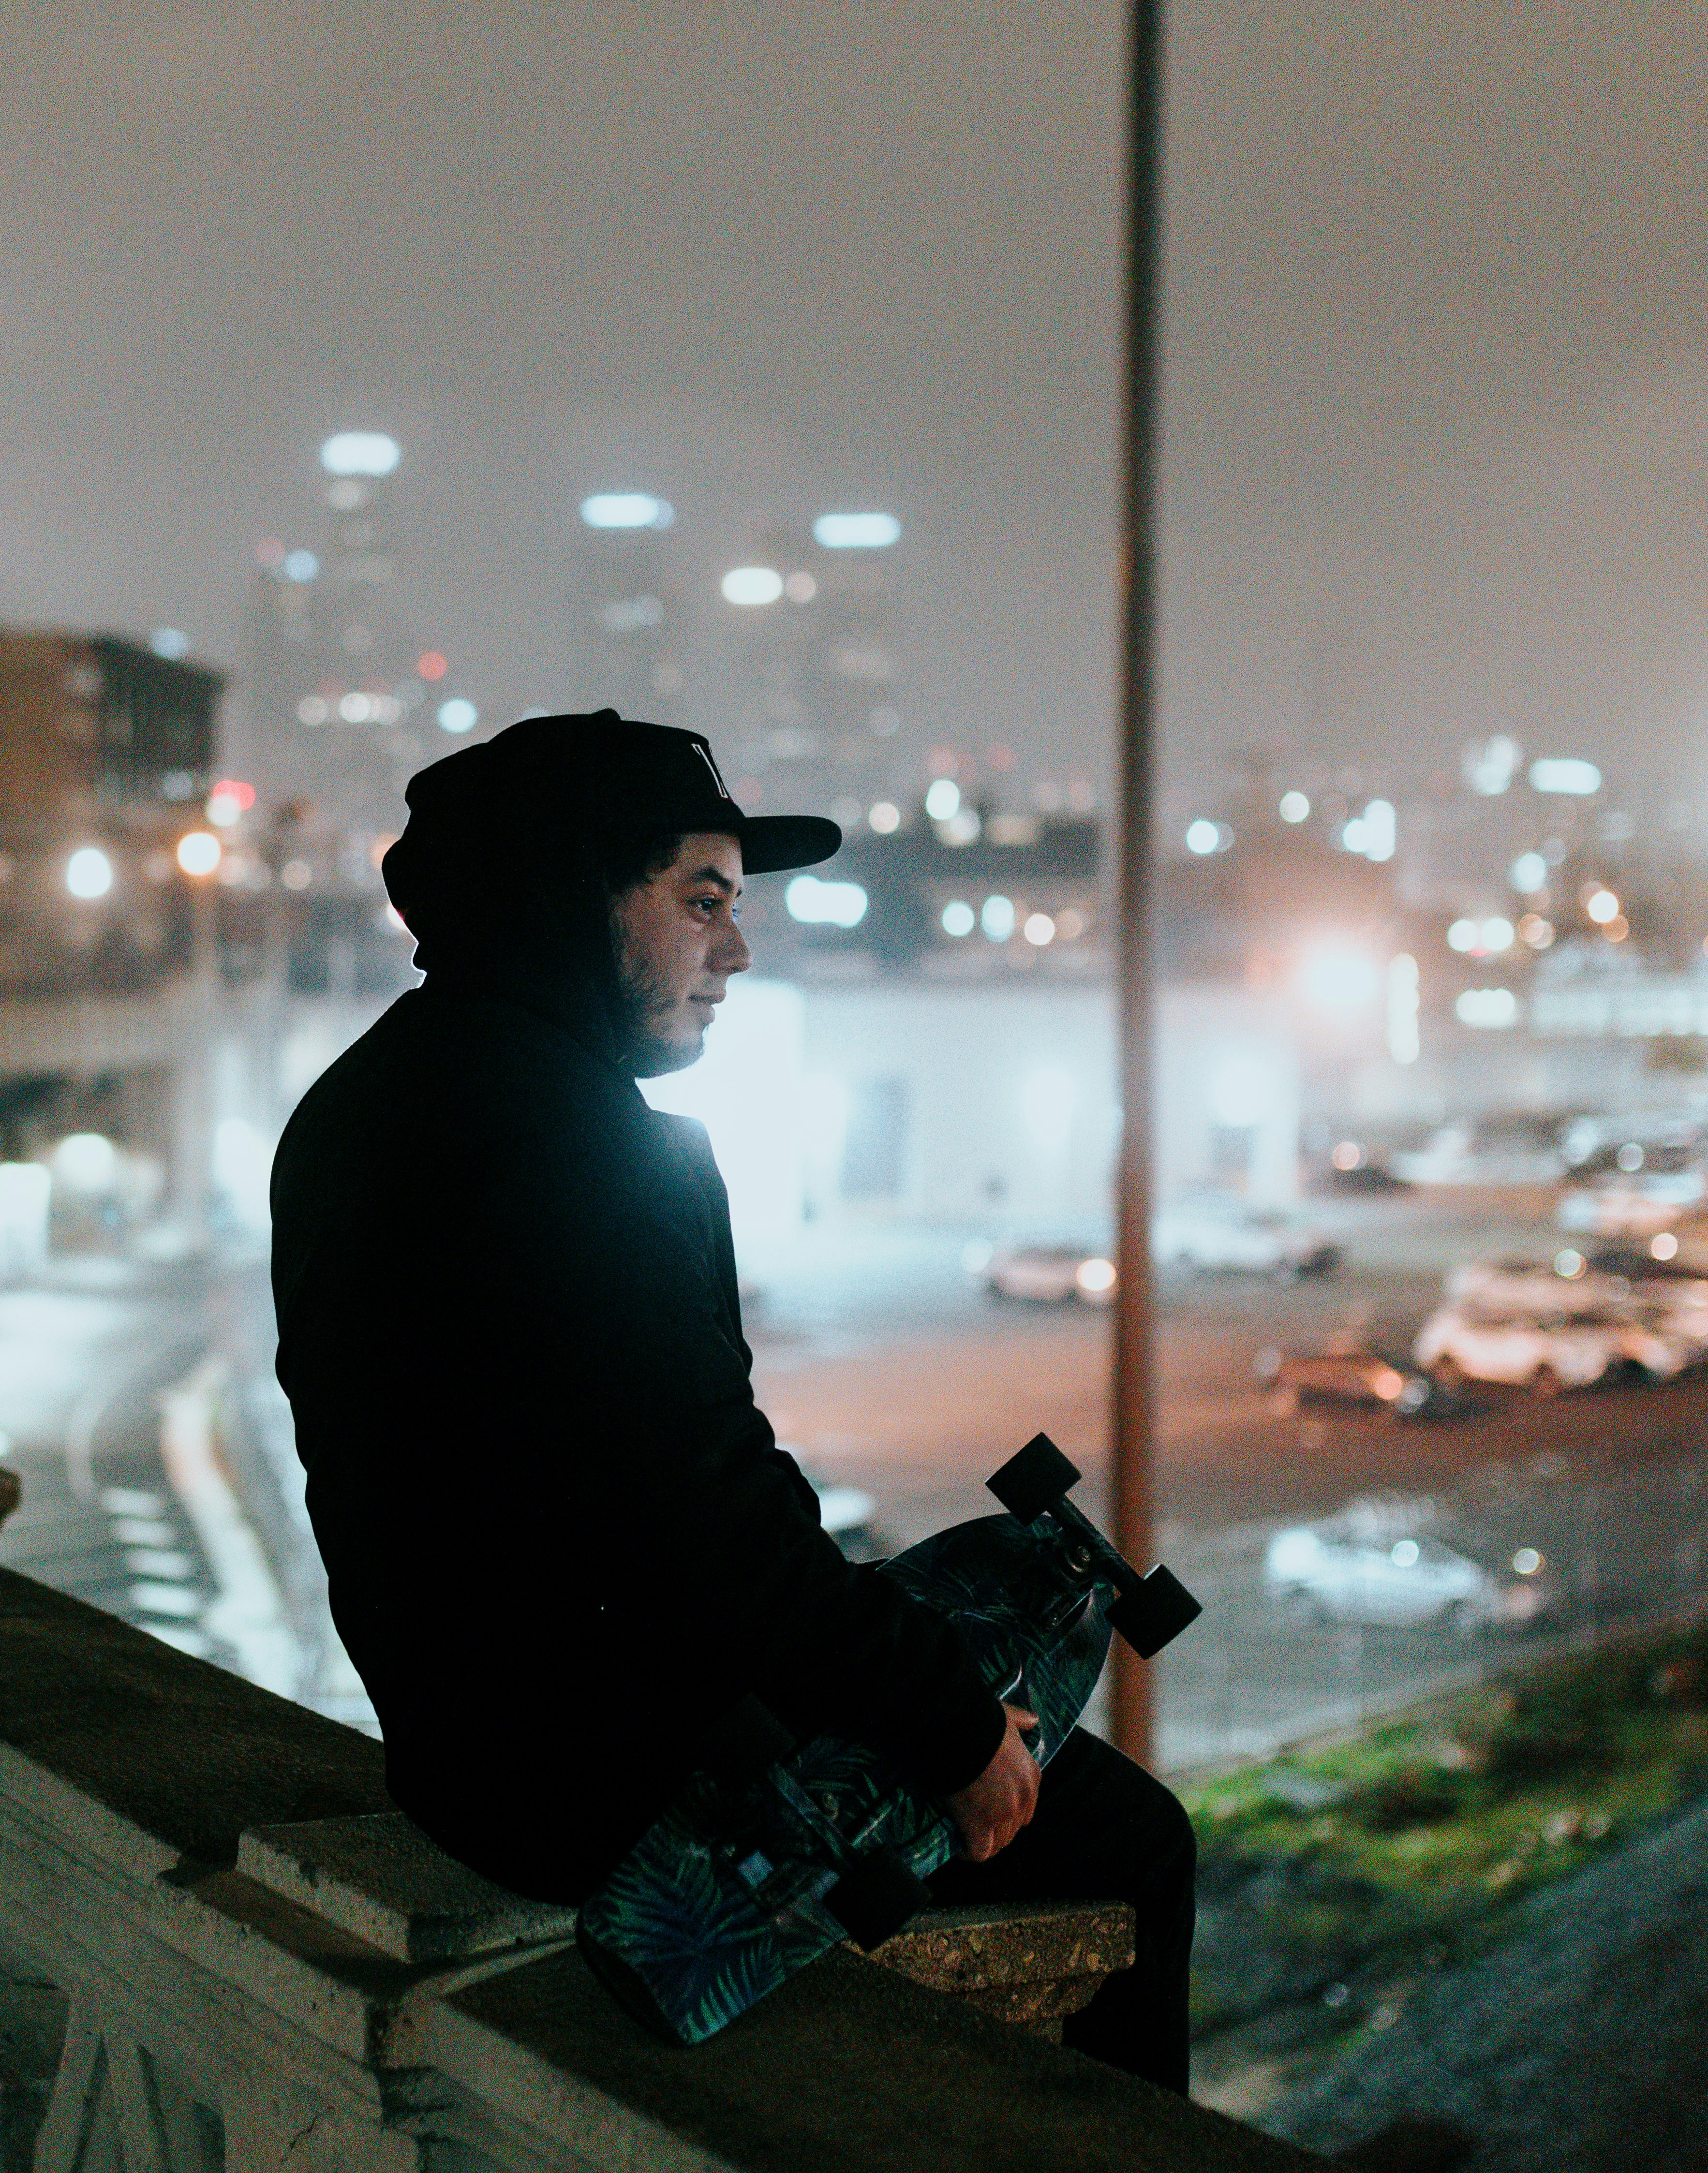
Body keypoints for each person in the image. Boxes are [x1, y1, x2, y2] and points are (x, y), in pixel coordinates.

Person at [269, 709, 1194, 2089]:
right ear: (562, 899)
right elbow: (709, 1523)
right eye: (699, 900)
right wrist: (946, 1726)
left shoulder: (356, 1103)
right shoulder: (591, 1146)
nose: (737, 949)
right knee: (1126, 1839)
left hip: (461, 1761)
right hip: (611, 1799)